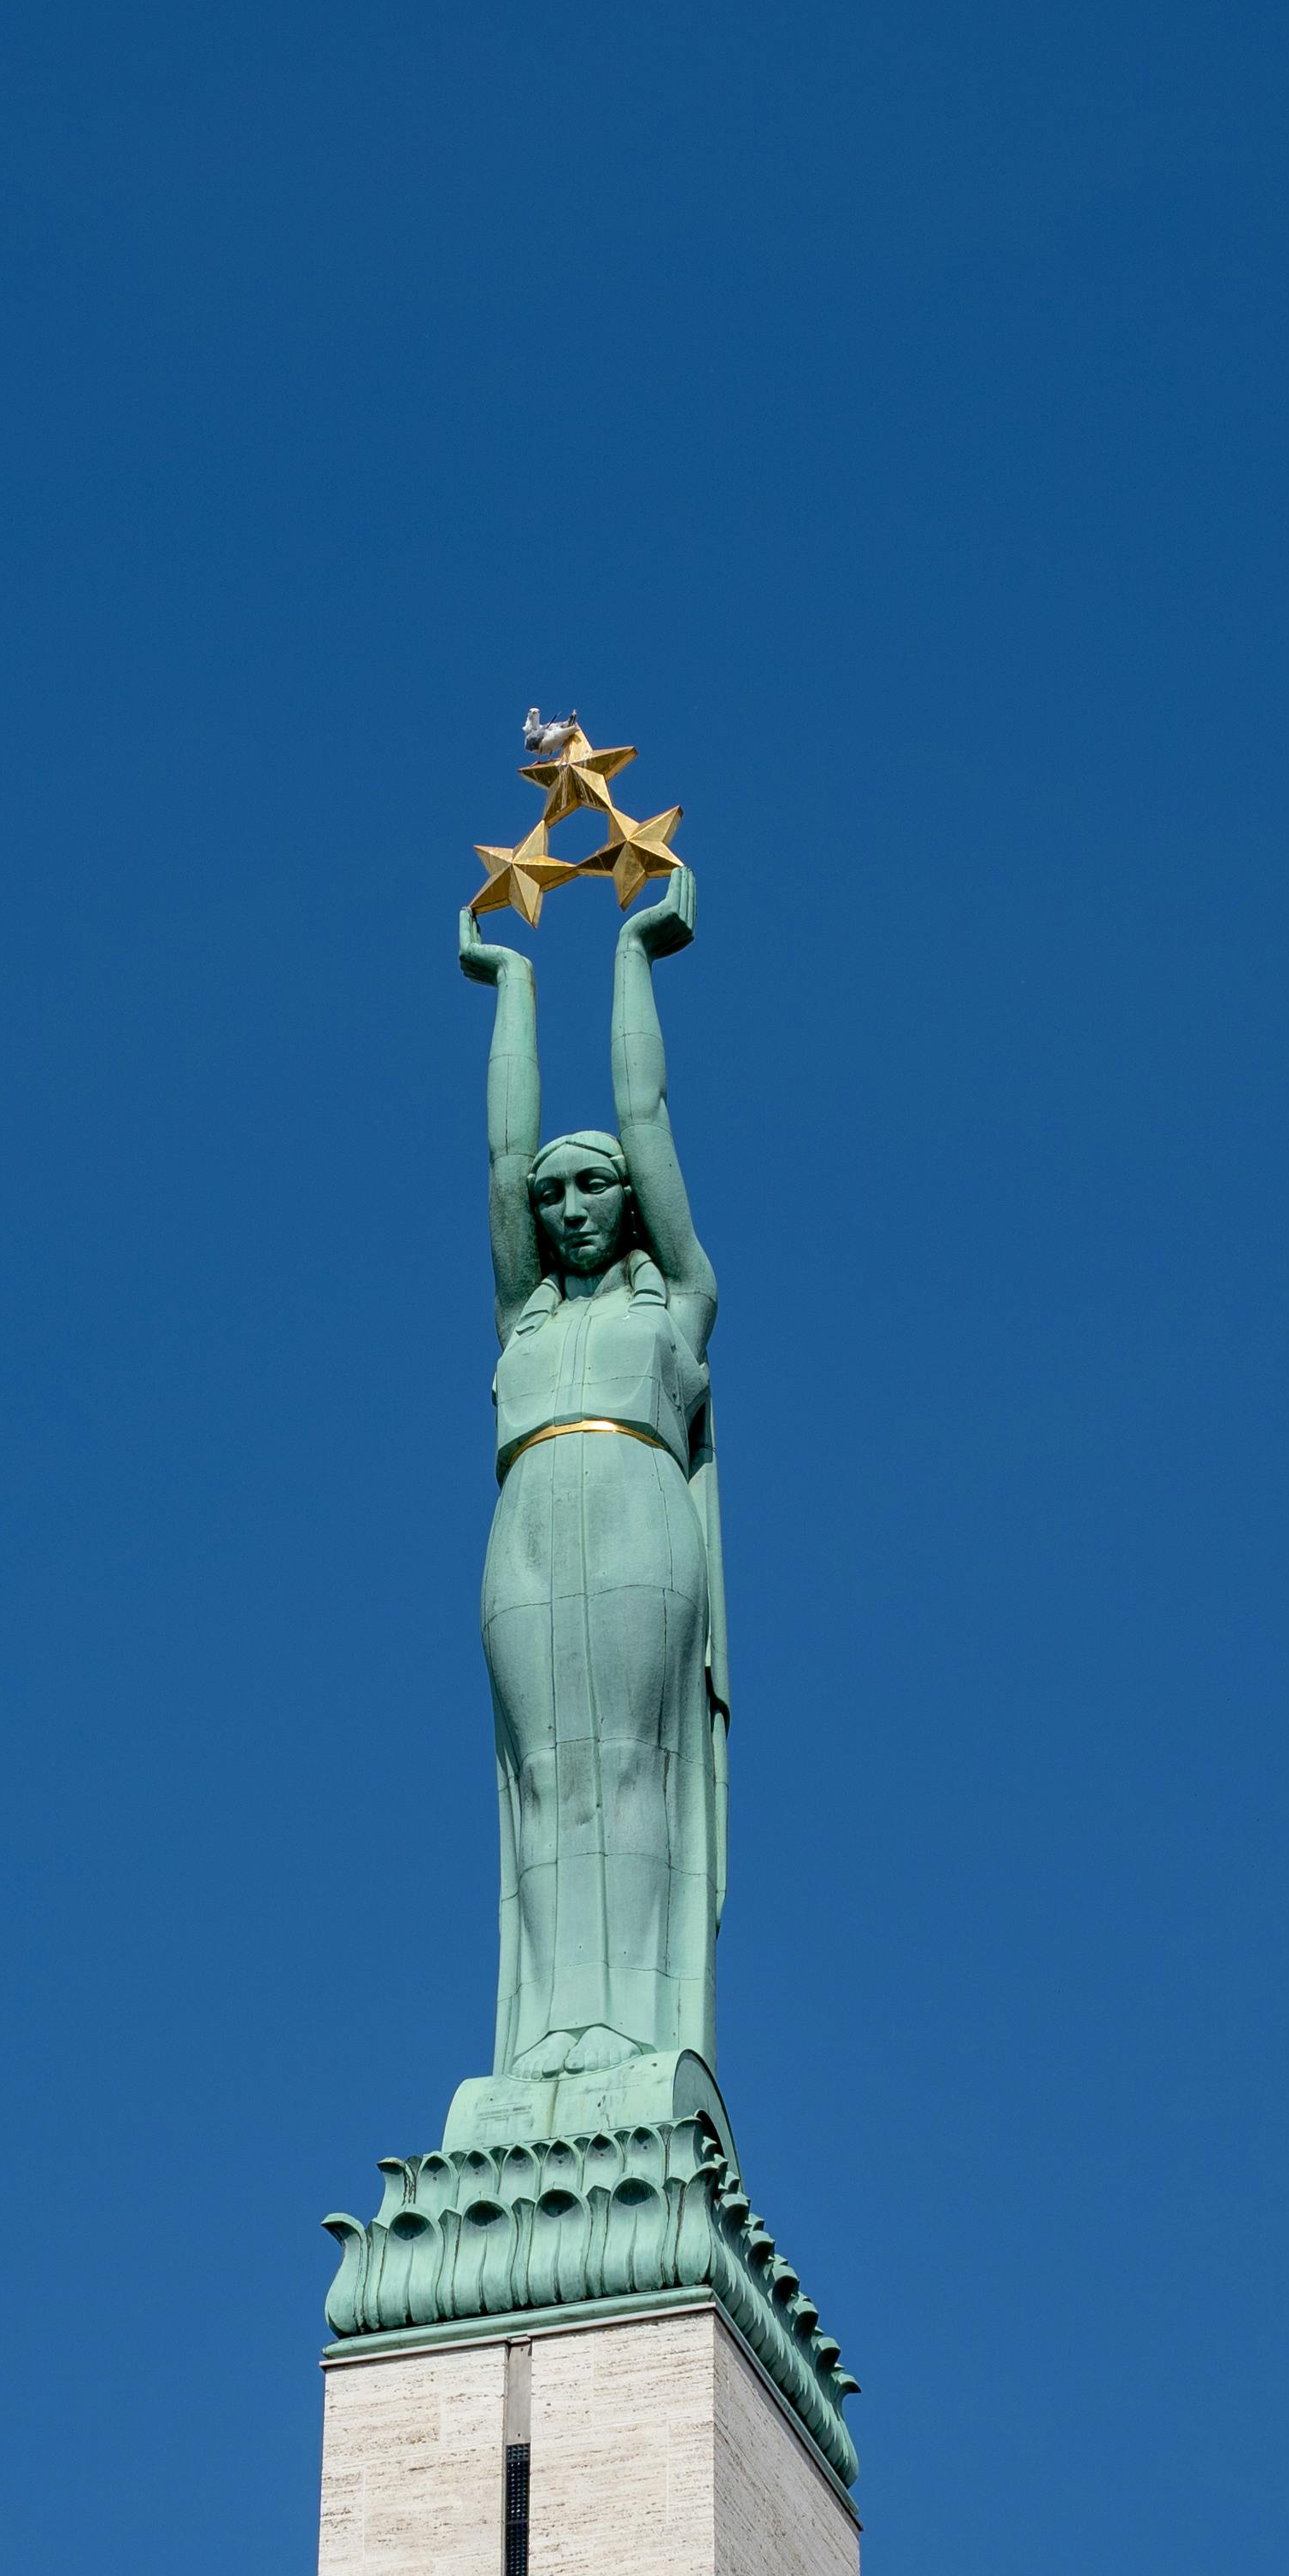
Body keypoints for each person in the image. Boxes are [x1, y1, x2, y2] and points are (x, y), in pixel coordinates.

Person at [462, 870, 729, 2083]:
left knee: (626, 1762)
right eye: (553, 1192)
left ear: (630, 1203)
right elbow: (503, 1144)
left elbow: (649, 1107)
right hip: (527, 1522)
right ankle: (548, 2035)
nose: (567, 1204)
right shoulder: (523, 1314)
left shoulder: (676, 1304)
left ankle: (627, 2023)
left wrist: (633, 954)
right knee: (541, 1780)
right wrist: (509, 985)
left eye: (593, 1184)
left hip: (633, 1509)